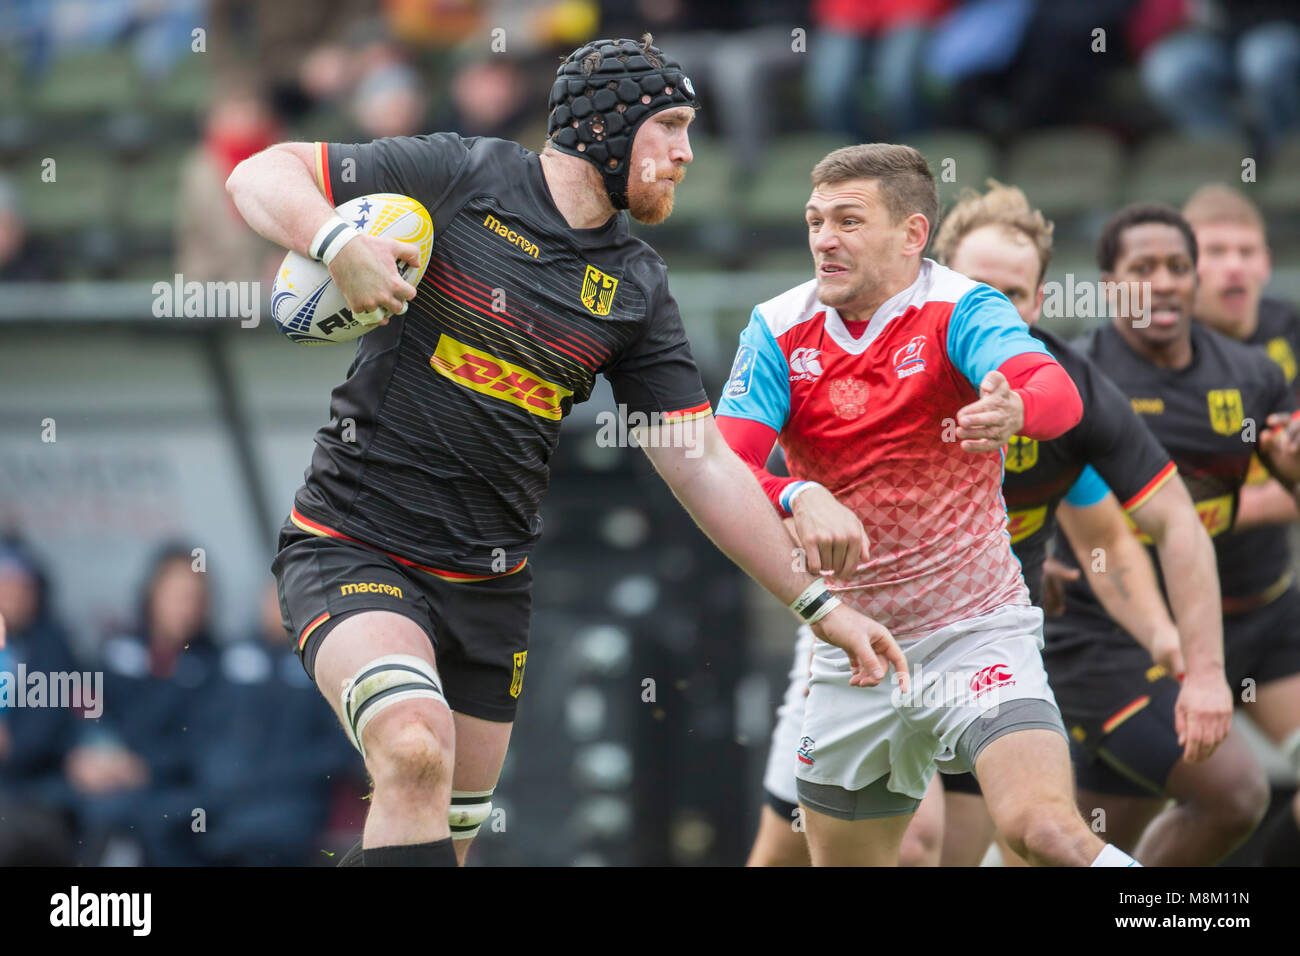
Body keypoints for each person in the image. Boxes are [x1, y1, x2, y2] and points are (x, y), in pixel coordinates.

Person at [226, 35, 906, 868]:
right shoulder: (462, 174)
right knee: (412, 748)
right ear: (608, 127)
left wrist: (822, 607)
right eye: (674, 127)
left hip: (488, 587)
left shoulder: (636, 286)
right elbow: (256, 174)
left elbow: (699, 462)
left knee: (449, 830)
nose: (687, 154)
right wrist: (337, 245)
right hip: (355, 544)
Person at [743, 179, 1228, 867]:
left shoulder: (1066, 390)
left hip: (978, 638)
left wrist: (1188, 659)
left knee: (1023, 840)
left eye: (1014, 294)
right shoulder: (827, 343)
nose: (993, 307)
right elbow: (724, 474)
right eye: (979, 284)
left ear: (1037, 302)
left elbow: (1125, 538)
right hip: (850, 633)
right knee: (816, 854)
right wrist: (796, 496)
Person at [1044, 203, 1300, 865]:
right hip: (1107, 638)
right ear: (1106, 284)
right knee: (1217, 799)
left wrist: (1293, 477)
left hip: (1249, 619)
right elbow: (1022, 491)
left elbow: (1290, 483)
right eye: (1142, 269)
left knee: (1177, 816)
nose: (1162, 283)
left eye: (1177, 268)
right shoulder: (1074, 379)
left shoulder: (1252, 375)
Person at [1183, 183, 1300, 865]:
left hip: (1267, 612)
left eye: (1245, 251)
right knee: (1083, 823)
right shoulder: (1153, 357)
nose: (1232, 266)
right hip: (1163, 637)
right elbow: (1148, 517)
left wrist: (1205, 509)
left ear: (1264, 262)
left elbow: (1185, 511)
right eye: (1214, 252)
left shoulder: (1287, 336)